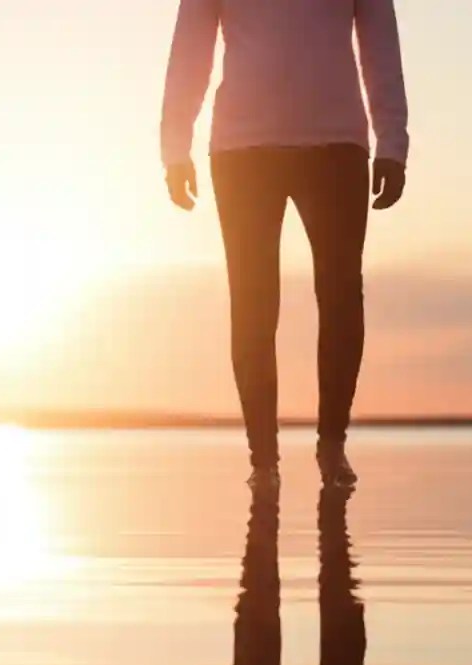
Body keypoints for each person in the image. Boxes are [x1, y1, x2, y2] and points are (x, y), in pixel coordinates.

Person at [161, 0, 409, 491]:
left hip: (336, 144)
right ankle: (263, 461)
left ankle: (332, 445)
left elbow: (380, 39)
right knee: (253, 303)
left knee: (340, 297)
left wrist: (392, 141)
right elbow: (191, 43)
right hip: (243, 149)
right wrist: (175, 145)